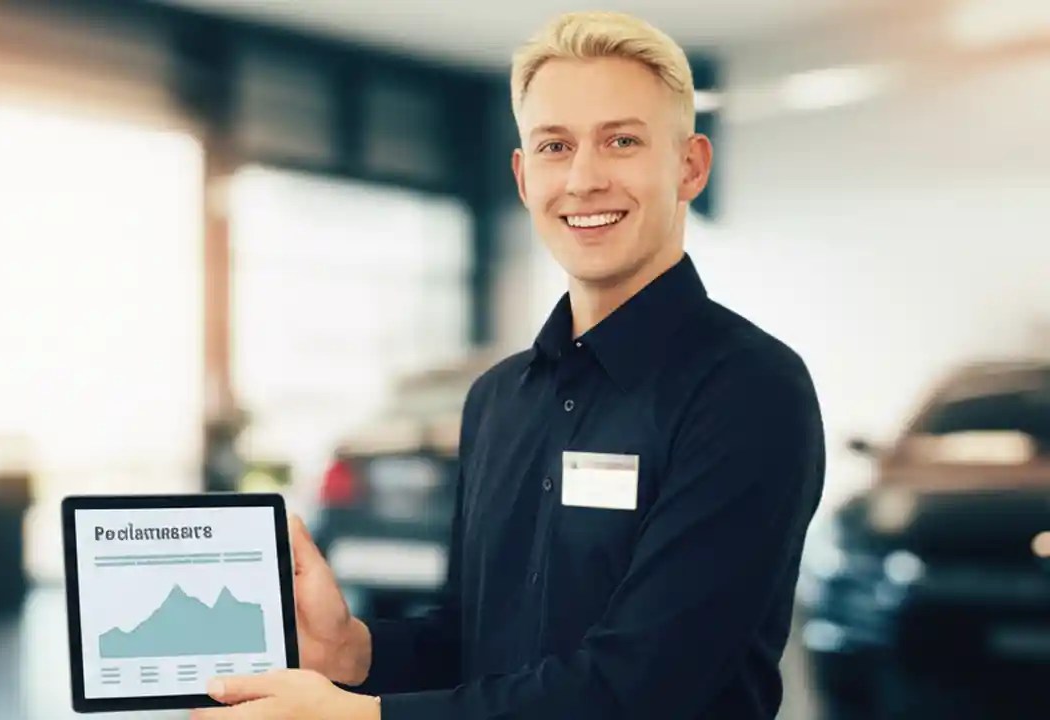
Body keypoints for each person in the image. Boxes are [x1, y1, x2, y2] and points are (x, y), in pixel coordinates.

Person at [193, 10, 825, 720]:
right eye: (555, 146)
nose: (584, 179)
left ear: (690, 166)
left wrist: (361, 718)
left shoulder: (749, 391)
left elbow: (644, 686)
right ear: (524, 178)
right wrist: (352, 650)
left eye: (621, 141)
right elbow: (474, 645)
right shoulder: (498, 399)